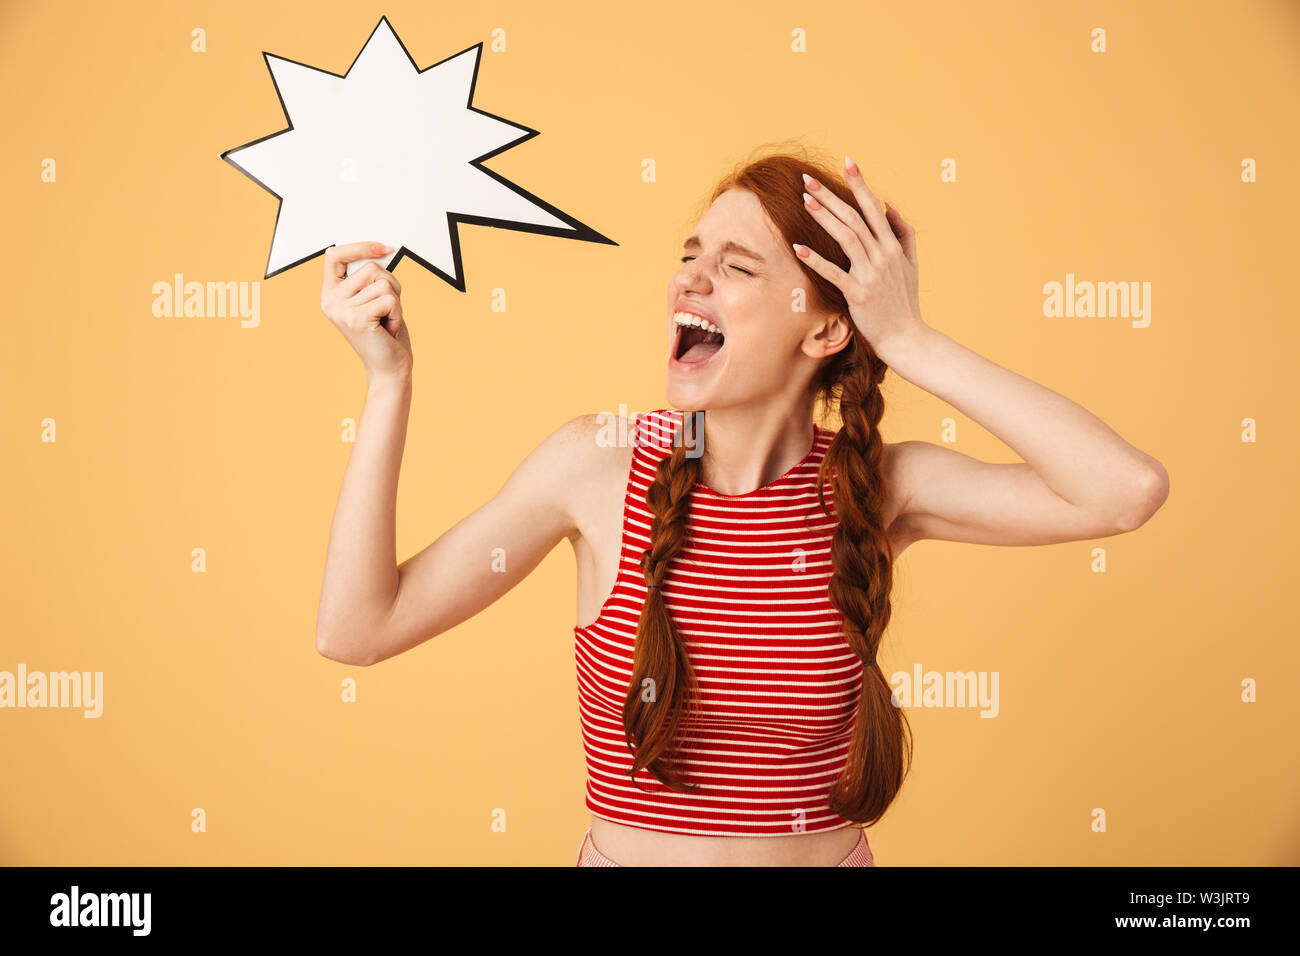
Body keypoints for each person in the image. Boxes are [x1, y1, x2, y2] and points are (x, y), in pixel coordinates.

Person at [313, 146, 1170, 867]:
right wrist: (389, 385)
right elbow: (357, 629)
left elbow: (1123, 492)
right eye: (690, 256)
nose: (691, 282)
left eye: (736, 266)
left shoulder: (879, 490)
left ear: (826, 329)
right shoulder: (598, 465)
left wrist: (907, 338)